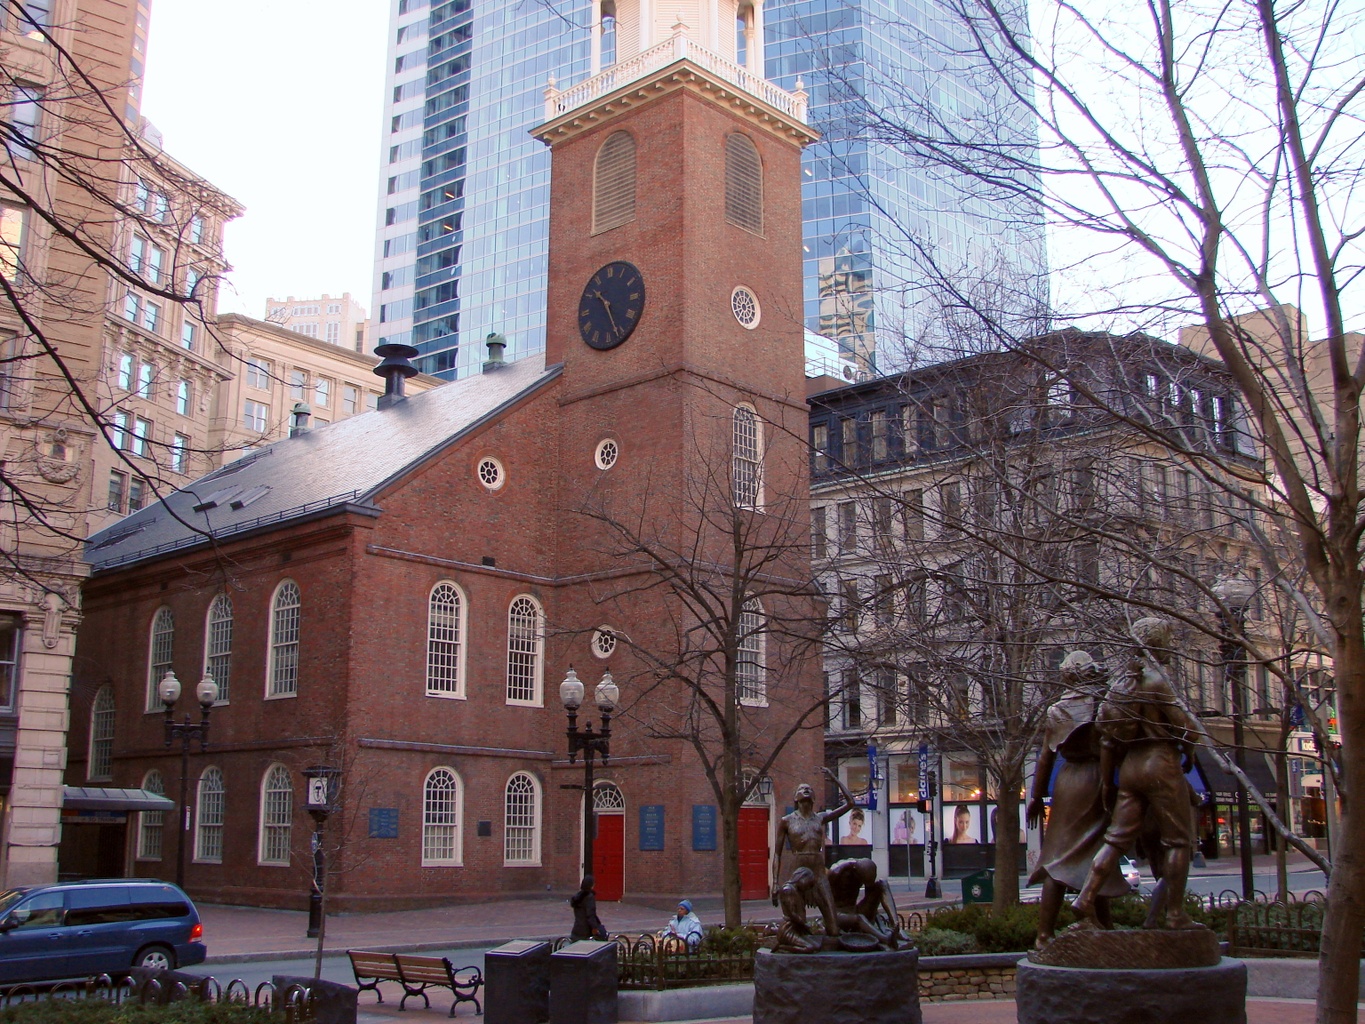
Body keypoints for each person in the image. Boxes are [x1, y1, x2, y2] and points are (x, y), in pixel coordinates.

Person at [1072, 618, 1203, 931]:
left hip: (1130, 767)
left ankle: (1086, 895)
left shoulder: (1122, 683)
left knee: (1116, 839)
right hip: (1160, 763)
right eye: (1168, 641)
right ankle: (1174, 914)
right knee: (1177, 842)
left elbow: (1106, 738)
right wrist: (1192, 737)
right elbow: (1188, 729)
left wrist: (1107, 782)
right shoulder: (1158, 680)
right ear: (1157, 643)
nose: (1171, 647)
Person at [1026, 650, 1126, 947]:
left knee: (1064, 857)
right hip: (1094, 778)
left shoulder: (1058, 709)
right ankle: (1058, 929)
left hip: (1067, 782)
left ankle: (1055, 931)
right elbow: (1112, 745)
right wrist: (1109, 785)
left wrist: (1037, 796)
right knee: (1088, 854)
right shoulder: (1100, 705)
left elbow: (1045, 757)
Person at [771, 767, 857, 938]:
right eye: (802, 789)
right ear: (796, 797)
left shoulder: (820, 817)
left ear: (814, 797)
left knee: (833, 929)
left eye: (809, 789)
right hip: (798, 871)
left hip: (818, 871)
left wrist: (834, 778)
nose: (806, 790)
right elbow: (777, 854)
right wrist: (775, 882)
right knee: (799, 925)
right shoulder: (786, 821)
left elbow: (850, 803)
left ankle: (827, 945)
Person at [569, 875, 607, 941]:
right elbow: (590, 915)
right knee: (603, 935)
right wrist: (594, 928)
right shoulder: (589, 897)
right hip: (586, 930)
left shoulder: (577, 897)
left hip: (577, 929)